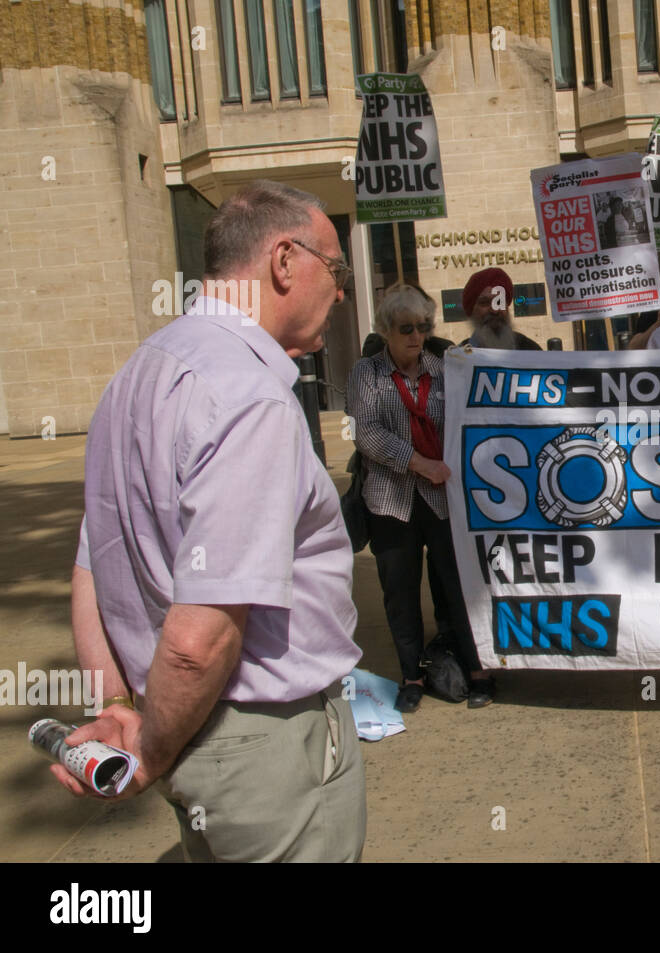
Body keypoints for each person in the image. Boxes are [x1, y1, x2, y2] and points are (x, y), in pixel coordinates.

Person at [58, 180, 366, 861]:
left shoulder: (133, 378)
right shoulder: (249, 397)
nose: (341, 292)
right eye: (335, 270)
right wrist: (149, 748)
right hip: (260, 743)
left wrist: (117, 704)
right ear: (285, 262)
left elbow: (93, 567)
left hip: (185, 724)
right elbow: (200, 639)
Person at [348, 283, 495, 710]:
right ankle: (411, 675)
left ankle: (477, 670)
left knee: (459, 585)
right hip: (390, 501)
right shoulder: (366, 373)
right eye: (406, 328)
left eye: (423, 327)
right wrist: (417, 461)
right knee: (400, 591)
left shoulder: (447, 367)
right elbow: (366, 433)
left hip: (444, 499)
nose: (416, 335)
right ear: (386, 331)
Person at [460, 267, 541, 351]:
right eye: (484, 303)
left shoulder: (530, 349)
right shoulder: (458, 357)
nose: (495, 310)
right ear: (471, 310)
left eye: (499, 302)